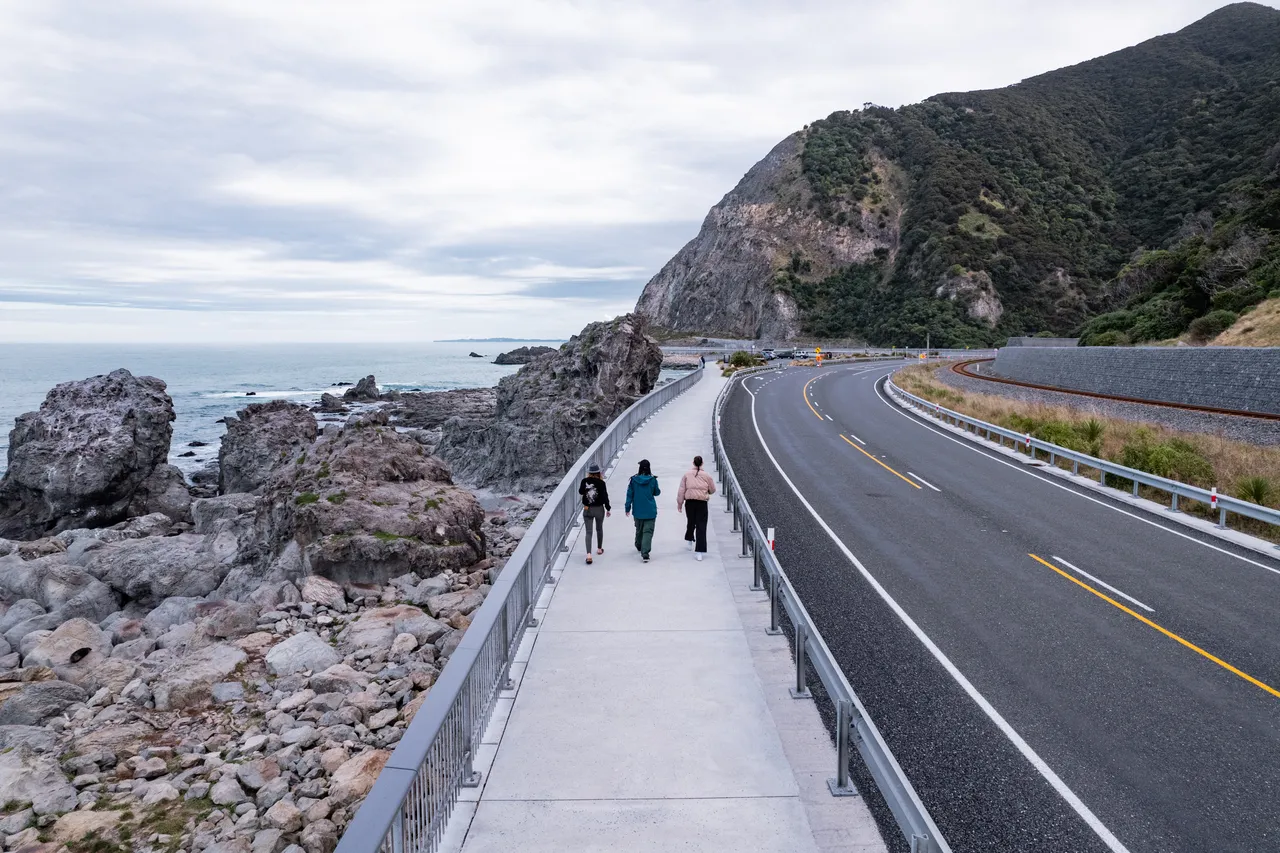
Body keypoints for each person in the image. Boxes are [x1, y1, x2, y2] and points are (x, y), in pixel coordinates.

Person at [676, 455, 716, 560]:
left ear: (693, 463)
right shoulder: (707, 476)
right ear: (702, 463)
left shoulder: (686, 475)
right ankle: (699, 551)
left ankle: (689, 539)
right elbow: (712, 490)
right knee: (701, 526)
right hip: (702, 503)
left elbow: (681, 490)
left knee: (691, 521)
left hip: (689, 502)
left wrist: (680, 503)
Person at [624, 459, 661, 563]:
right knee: (648, 531)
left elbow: (629, 495)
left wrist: (627, 508)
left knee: (639, 529)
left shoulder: (633, 480)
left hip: (638, 510)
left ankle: (638, 544)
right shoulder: (653, 480)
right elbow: (656, 492)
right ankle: (645, 553)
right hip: (650, 511)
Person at [578, 463, 611, 564]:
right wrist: (608, 508)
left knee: (588, 532)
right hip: (599, 509)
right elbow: (605, 496)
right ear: (598, 472)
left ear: (589, 472)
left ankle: (588, 555)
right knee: (599, 528)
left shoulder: (584, 481)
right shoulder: (601, 483)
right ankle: (599, 549)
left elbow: (580, 492)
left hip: (587, 509)